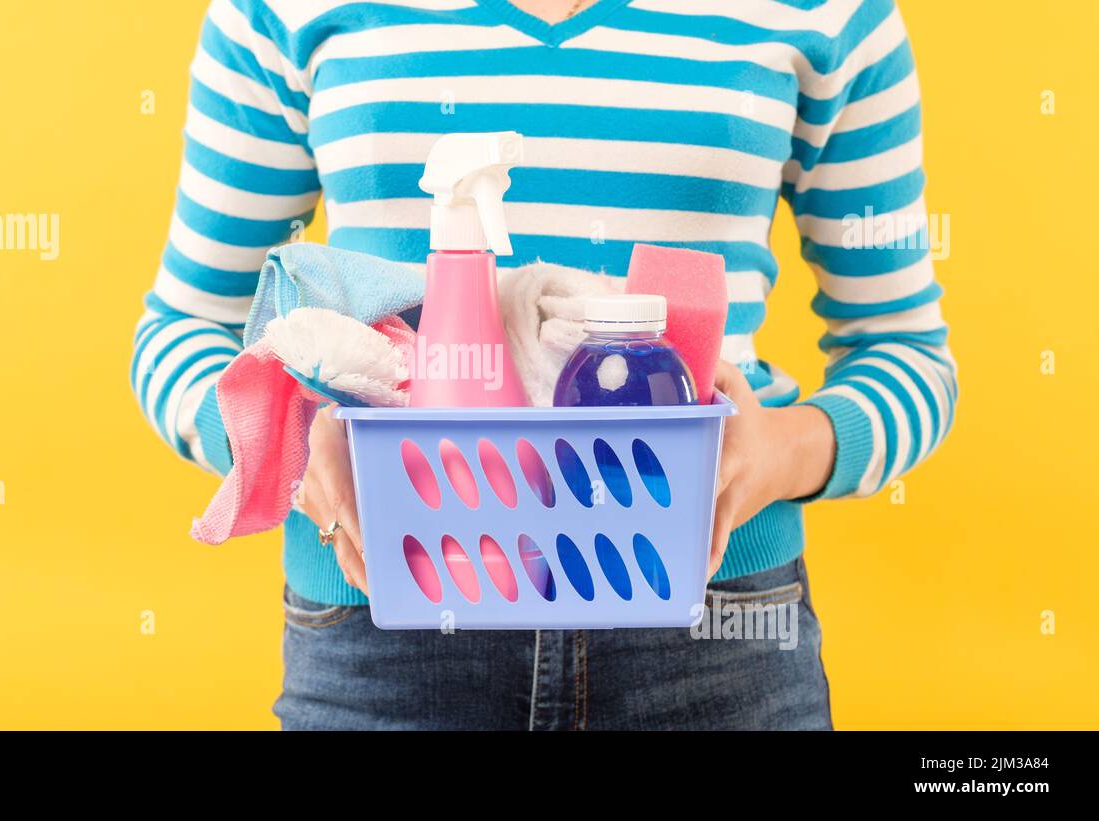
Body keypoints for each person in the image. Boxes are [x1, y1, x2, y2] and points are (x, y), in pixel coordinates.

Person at [131, 0, 956, 729]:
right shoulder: (277, 12)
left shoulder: (833, 14)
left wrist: (777, 454)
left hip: (712, 626)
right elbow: (186, 327)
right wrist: (298, 452)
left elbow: (908, 352)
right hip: (388, 616)